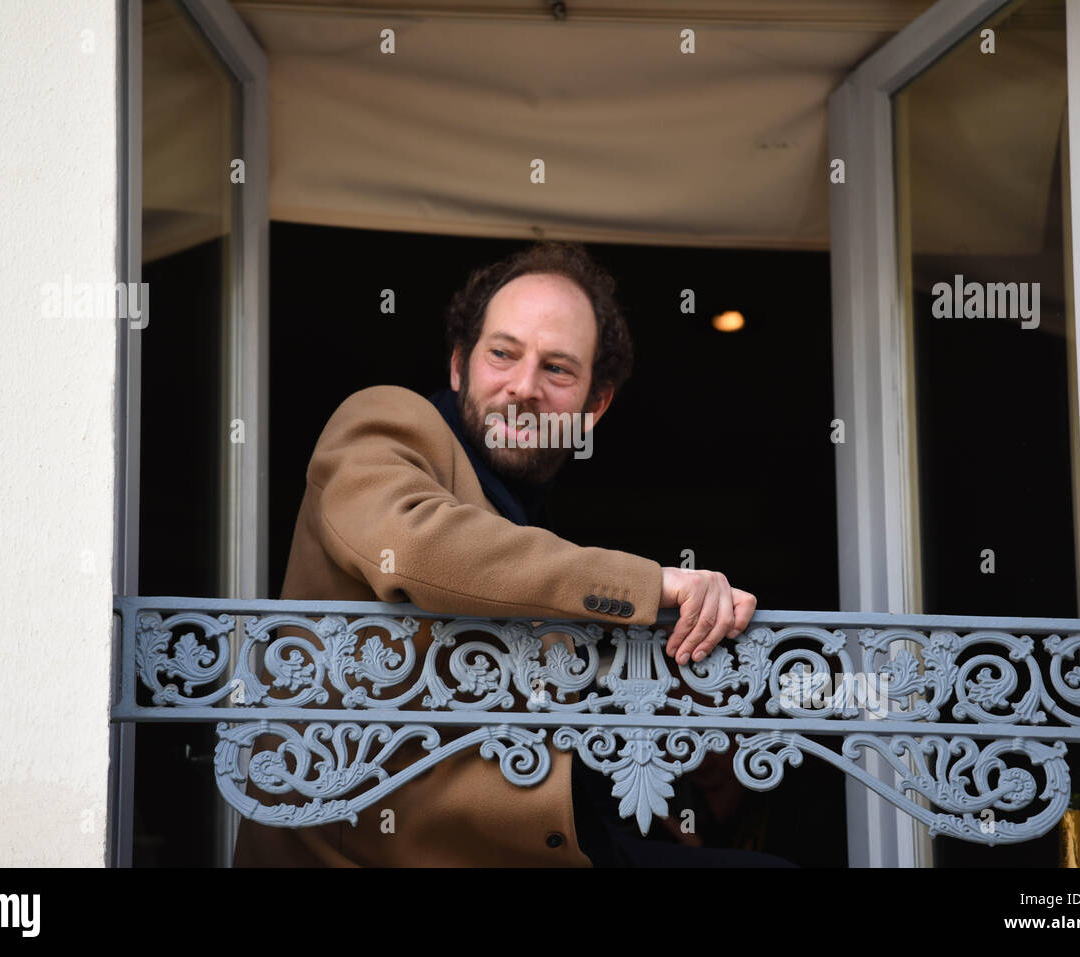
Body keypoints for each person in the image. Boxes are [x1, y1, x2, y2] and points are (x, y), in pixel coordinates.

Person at [233, 240, 790, 867]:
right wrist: (651, 583)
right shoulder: (385, 419)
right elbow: (419, 543)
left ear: (595, 404)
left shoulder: (532, 512)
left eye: (558, 369)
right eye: (502, 354)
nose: (524, 387)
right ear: (458, 365)